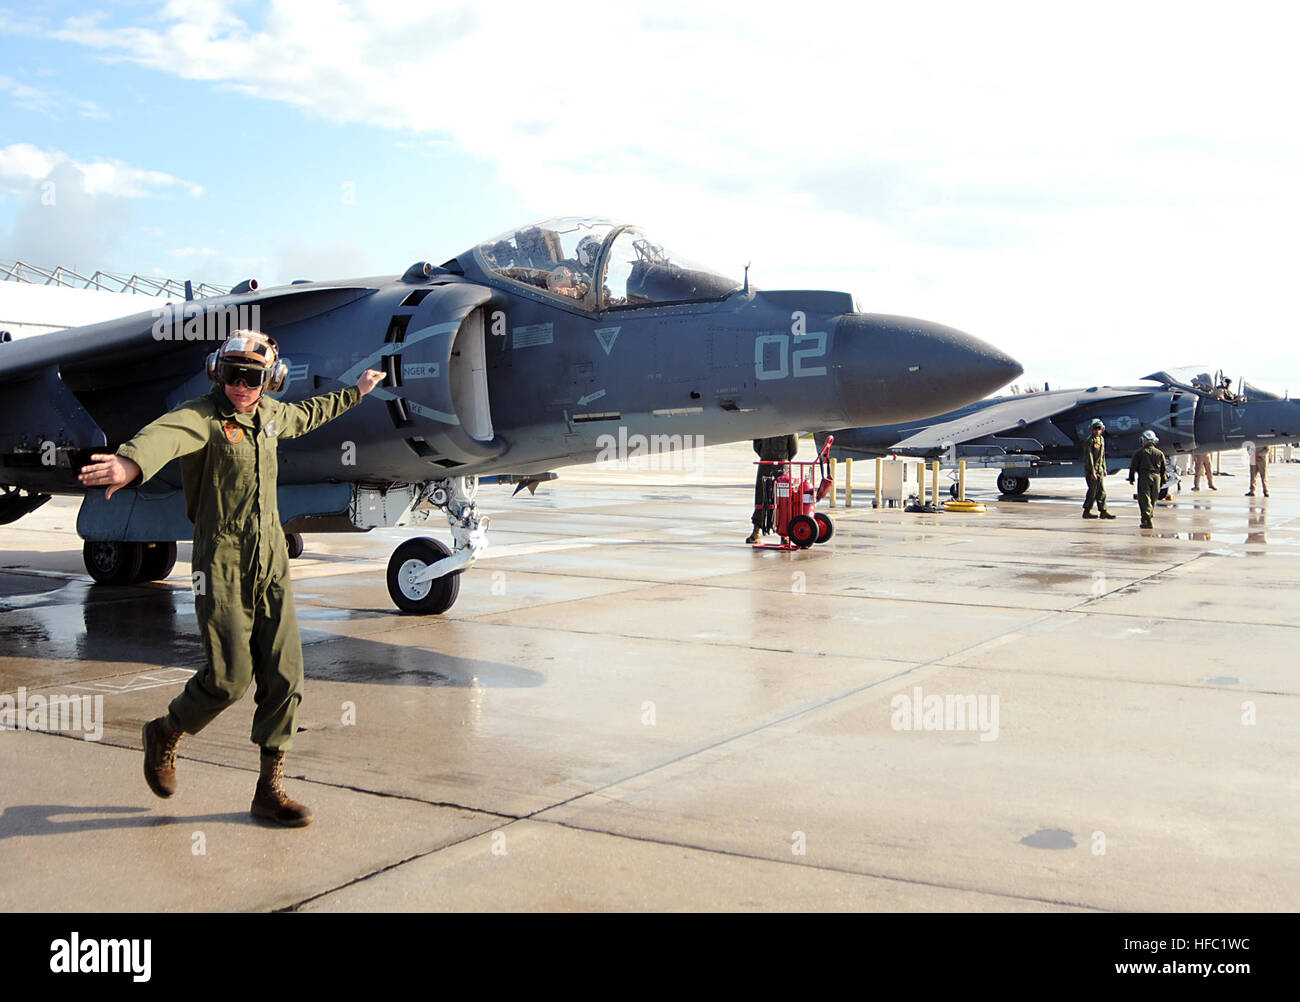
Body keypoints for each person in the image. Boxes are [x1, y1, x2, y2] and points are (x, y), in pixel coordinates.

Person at [77, 331, 385, 827]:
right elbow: (166, 433)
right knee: (228, 679)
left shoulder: (271, 415)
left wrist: (357, 392)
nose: (241, 386)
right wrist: (130, 463)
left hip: (272, 557)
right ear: (217, 373)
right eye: (232, 374)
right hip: (220, 561)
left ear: (271, 380)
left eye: (252, 377)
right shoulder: (204, 416)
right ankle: (166, 731)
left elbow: (309, 414)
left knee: (285, 674)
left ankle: (269, 790)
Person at [746, 434, 798, 544]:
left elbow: (794, 449)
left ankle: (785, 534)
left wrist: (783, 458)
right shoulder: (763, 425)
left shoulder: (789, 427)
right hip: (765, 463)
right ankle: (756, 530)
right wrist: (765, 455)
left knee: (783, 499)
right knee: (761, 496)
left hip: (781, 464)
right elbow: (757, 444)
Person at [1128, 430, 1168, 529]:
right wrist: (1163, 480)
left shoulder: (1139, 453)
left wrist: (1131, 478)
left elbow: (1133, 467)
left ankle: (1147, 519)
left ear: (1143, 440)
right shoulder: (1160, 453)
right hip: (1156, 478)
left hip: (1145, 477)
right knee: (1153, 499)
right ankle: (1146, 517)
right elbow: (1163, 469)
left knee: (1144, 499)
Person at [1081, 418, 1116, 519]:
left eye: (1099, 428)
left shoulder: (1101, 439)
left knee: (1101, 491)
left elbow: (1102, 456)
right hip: (1092, 470)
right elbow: (1089, 458)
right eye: (1095, 428)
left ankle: (1103, 511)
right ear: (1092, 429)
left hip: (1099, 470)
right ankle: (1086, 511)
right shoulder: (1090, 441)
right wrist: (1092, 472)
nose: (1097, 430)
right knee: (1092, 492)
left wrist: (1104, 468)